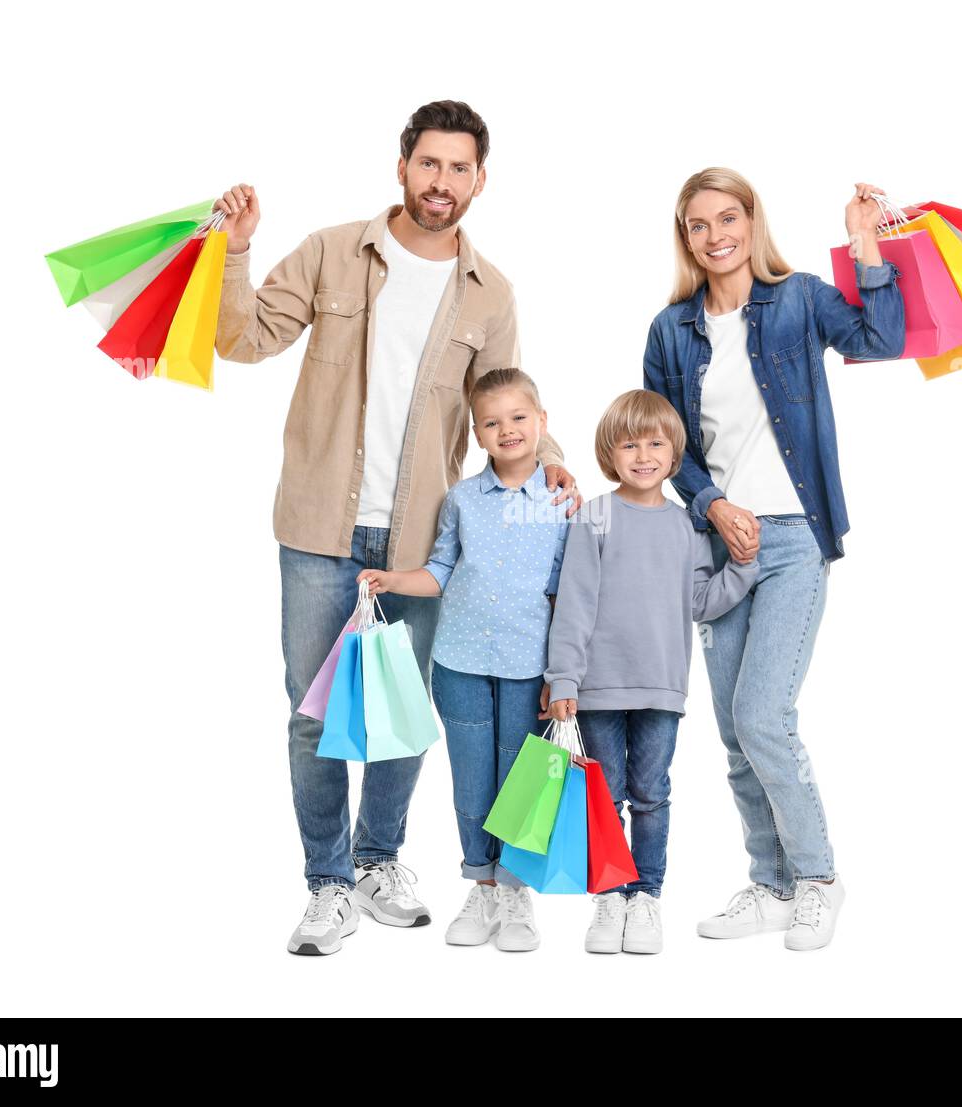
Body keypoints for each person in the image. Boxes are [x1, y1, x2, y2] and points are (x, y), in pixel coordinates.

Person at [213, 101, 582, 956]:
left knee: (401, 711)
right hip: (317, 527)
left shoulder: (491, 295)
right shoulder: (333, 251)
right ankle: (328, 879)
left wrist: (554, 459)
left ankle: (380, 859)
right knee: (313, 714)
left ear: (479, 180)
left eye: (459, 168)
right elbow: (243, 338)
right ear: (402, 166)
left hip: (419, 540)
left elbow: (505, 401)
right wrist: (236, 251)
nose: (441, 182)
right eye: (429, 164)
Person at [641, 169, 905, 951]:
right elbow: (663, 446)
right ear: (684, 237)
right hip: (718, 545)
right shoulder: (670, 329)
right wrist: (711, 505)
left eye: (729, 217)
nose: (716, 234)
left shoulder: (797, 298)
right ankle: (771, 883)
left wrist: (864, 243)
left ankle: (818, 877)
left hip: (792, 537)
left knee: (764, 715)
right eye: (699, 224)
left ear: (752, 221)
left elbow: (880, 338)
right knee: (732, 728)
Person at [357, 369, 569, 953]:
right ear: (476, 433)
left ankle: (516, 889)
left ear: (542, 424)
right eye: (492, 422)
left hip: (530, 668)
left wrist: (564, 673)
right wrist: (392, 579)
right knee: (472, 783)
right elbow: (441, 571)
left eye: (519, 418)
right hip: (461, 663)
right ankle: (481, 884)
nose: (507, 430)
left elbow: (571, 592)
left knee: (521, 782)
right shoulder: (461, 501)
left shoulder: (562, 499)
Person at [542, 390, 759, 954]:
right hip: (597, 688)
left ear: (673, 451)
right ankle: (609, 895)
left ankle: (647, 897)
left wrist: (744, 564)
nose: (643, 455)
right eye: (629, 444)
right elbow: (574, 602)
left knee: (651, 794)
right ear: (609, 454)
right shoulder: (594, 516)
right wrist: (563, 679)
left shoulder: (687, 526)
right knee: (606, 794)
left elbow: (701, 601)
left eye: (655, 443)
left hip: (662, 688)